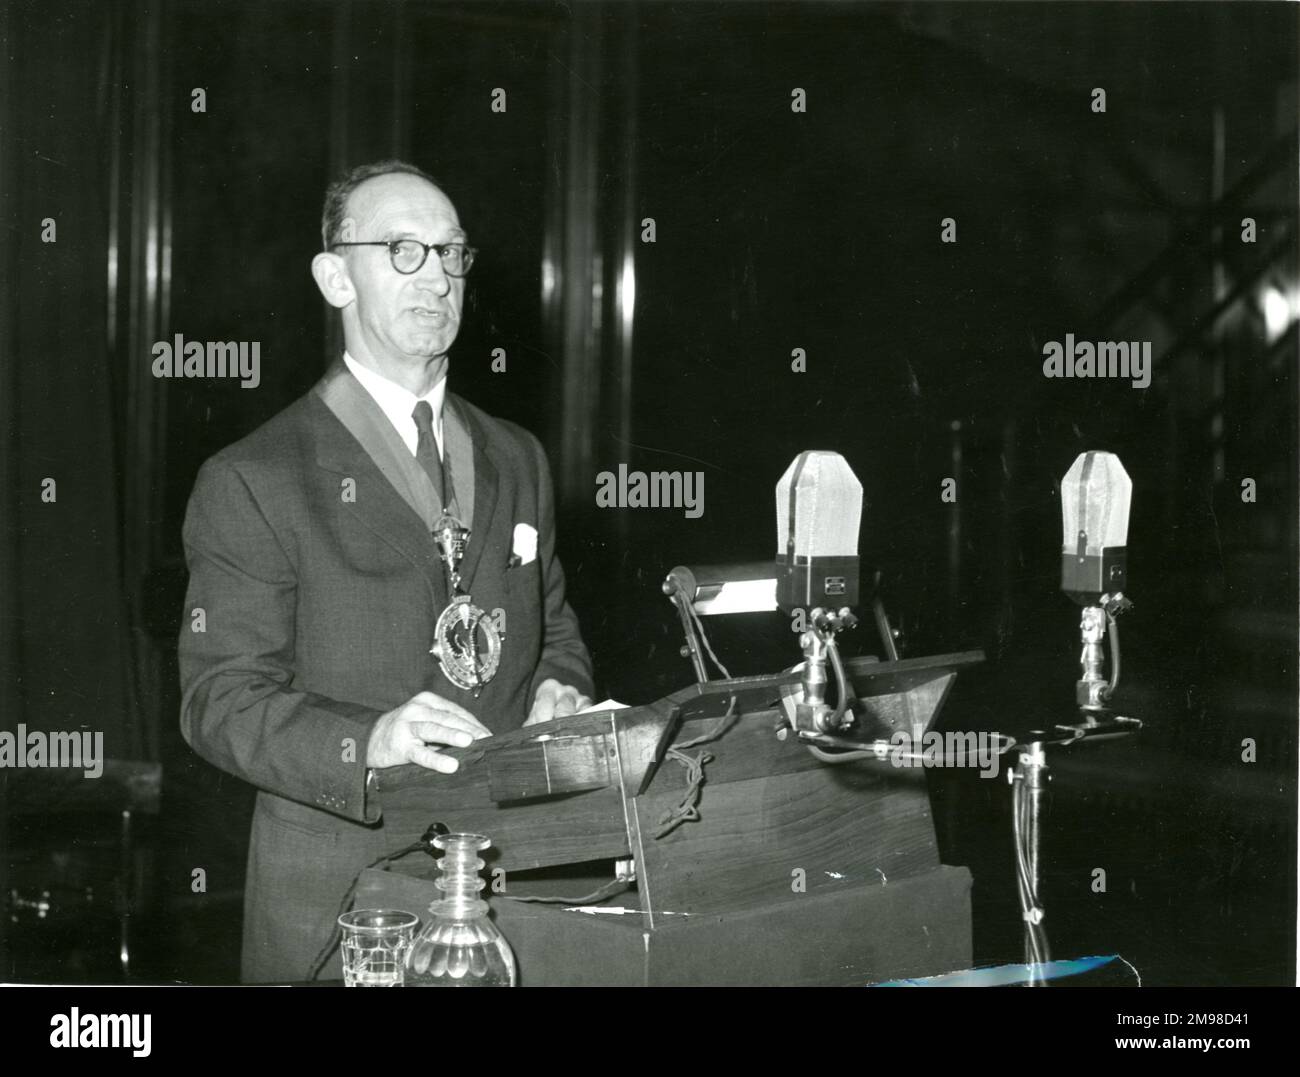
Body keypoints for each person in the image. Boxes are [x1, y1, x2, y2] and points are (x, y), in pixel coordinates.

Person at [178, 160, 594, 983]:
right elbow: (217, 698)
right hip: (346, 900)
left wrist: (560, 685)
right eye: (403, 250)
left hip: (510, 882)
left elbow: (555, 625)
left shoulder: (517, 455)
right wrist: (369, 739)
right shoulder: (254, 476)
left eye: (451, 253)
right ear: (335, 277)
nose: (436, 277)